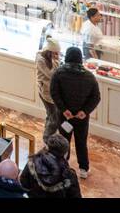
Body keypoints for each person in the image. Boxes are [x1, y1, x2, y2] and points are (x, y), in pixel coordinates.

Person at [50, 46, 101, 178]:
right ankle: (83, 169)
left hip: (64, 116)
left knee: (63, 141)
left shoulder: (59, 73)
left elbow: (54, 93)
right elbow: (96, 97)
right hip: (81, 119)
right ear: (80, 59)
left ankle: (62, 165)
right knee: (81, 142)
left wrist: (64, 109)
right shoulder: (89, 77)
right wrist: (84, 111)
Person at [19, 133, 81, 198]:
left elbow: (24, 184)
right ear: (65, 153)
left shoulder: (32, 163)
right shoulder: (69, 175)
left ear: (47, 147)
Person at [35, 41, 60, 143]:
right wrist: (57, 62)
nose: (57, 55)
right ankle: (47, 140)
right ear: (50, 52)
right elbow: (50, 74)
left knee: (51, 115)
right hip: (46, 92)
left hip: (49, 91)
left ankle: (48, 136)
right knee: (54, 118)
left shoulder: (49, 59)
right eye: (55, 53)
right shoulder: (41, 59)